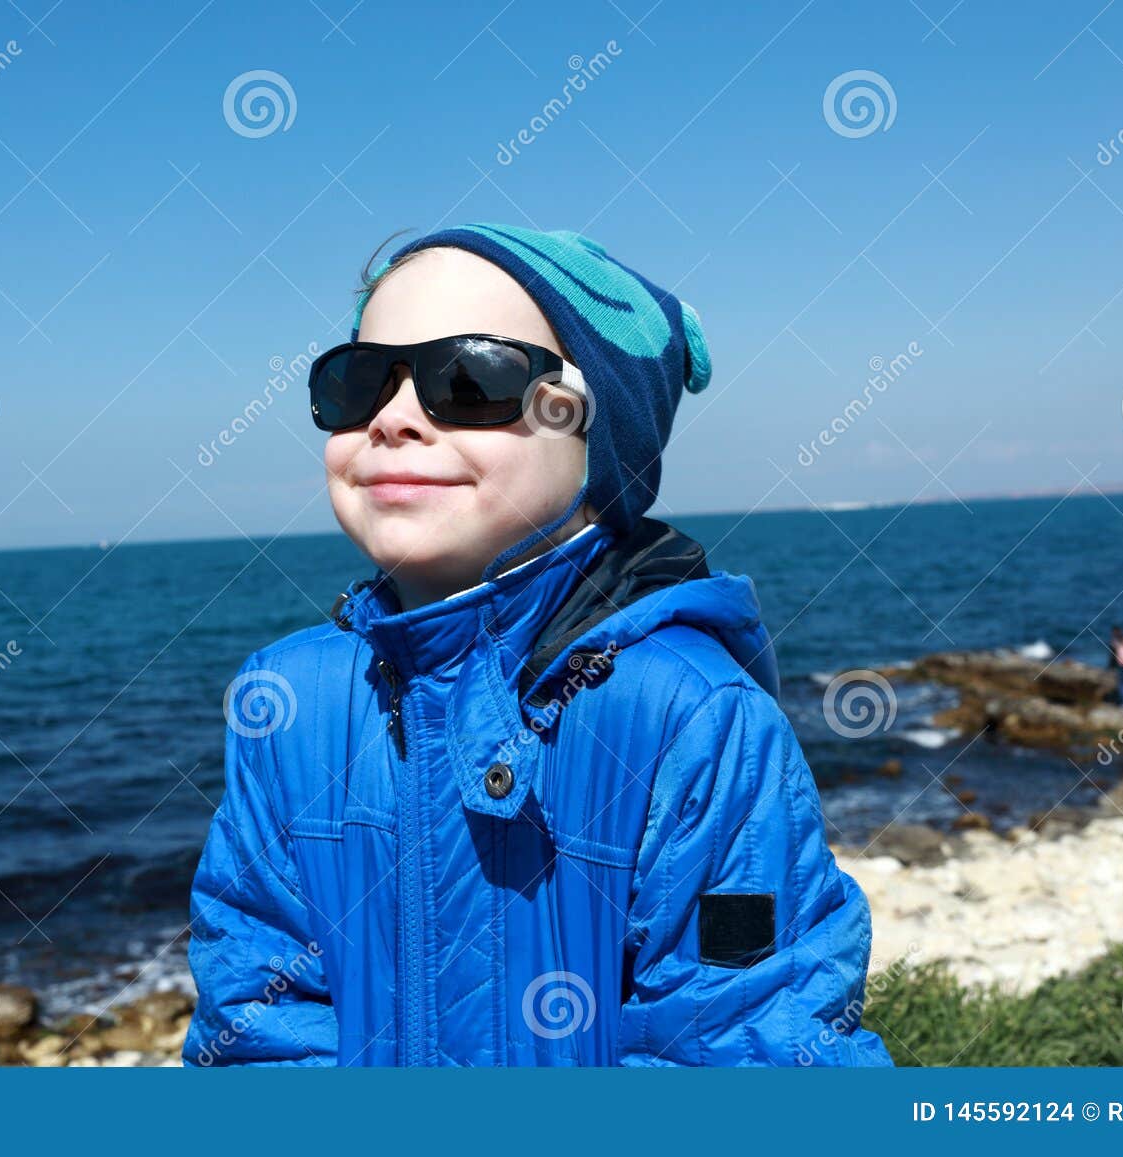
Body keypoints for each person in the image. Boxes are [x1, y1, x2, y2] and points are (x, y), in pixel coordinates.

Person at [183, 223, 892, 1067]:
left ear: (599, 438)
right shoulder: (291, 703)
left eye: (470, 377)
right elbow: (257, 1022)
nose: (394, 419)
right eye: (360, 383)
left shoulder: (690, 718)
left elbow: (748, 1040)